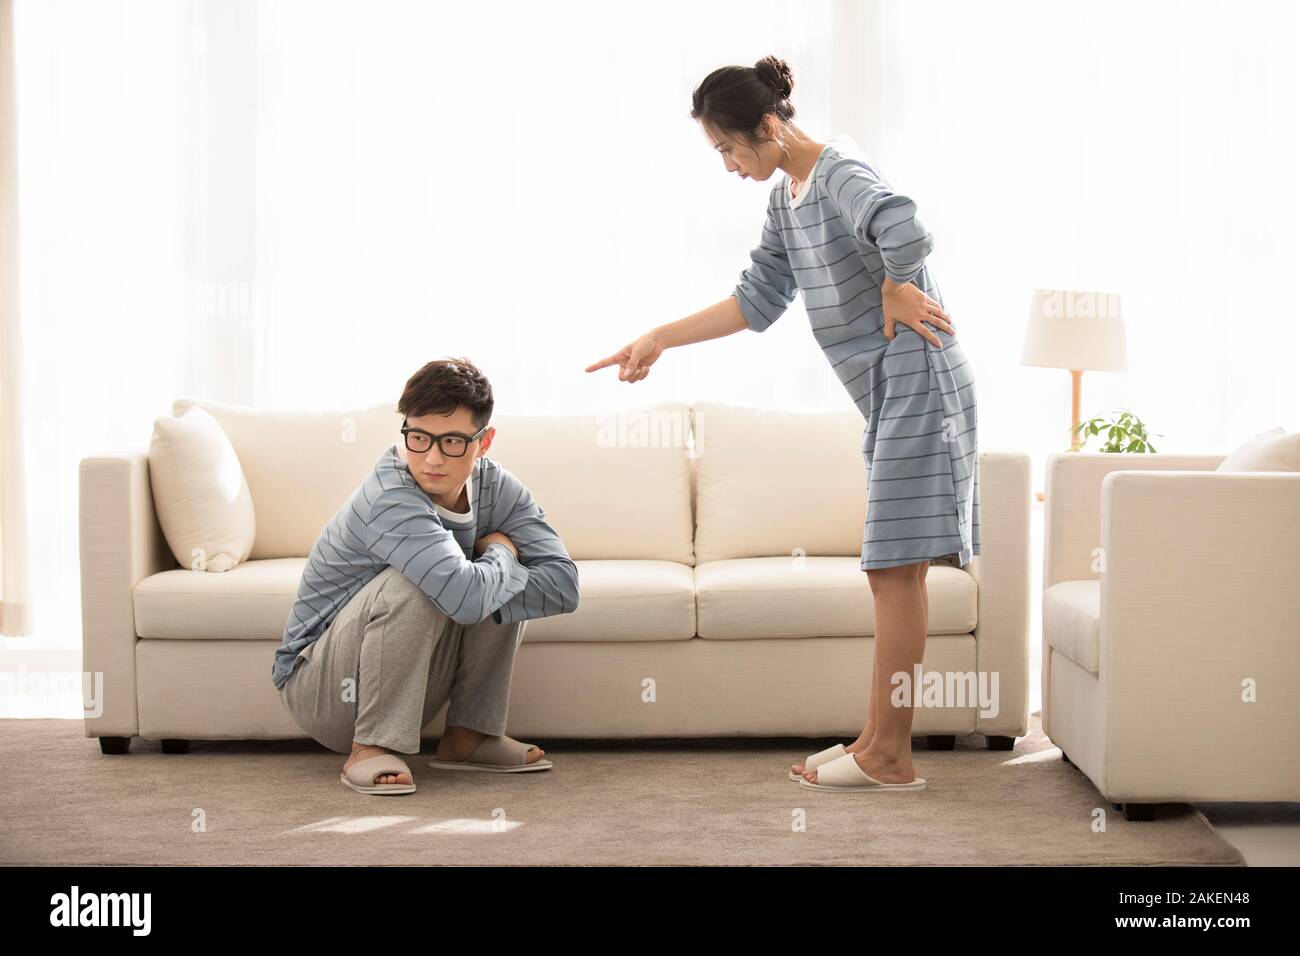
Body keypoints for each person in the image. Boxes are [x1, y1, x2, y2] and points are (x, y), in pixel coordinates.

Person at [585, 56, 979, 793]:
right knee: (892, 570)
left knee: (893, 569)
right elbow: (758, 301)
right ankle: (875, 740)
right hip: (893, 393)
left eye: (731, 149)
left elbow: (905, 223)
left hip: (921, 382)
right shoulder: (788, 199)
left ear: (769, 126)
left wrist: (898, 285)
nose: (730, 167)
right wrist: (658, 338)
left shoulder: (837, 173)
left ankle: (889, 756)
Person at [273, 357, 581, 794]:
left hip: (410, 680)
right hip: (322, 688)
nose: (432, 459)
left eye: (453, 441)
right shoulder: (390, 495)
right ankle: (368, 747)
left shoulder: (498, 488)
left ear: (484, 441)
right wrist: (501, 551)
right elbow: (466, 597)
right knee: (430, 582)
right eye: (418, 438)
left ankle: (469, 738)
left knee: (493, 585)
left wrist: (494, 570)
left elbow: (564, 585)